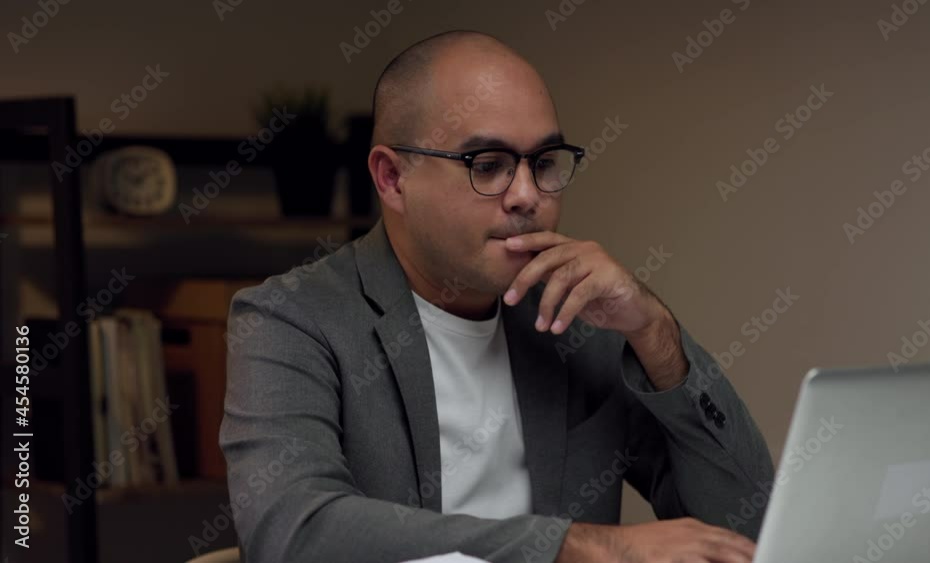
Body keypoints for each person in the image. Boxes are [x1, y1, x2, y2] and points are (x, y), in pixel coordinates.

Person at [220, 30, 774, 563]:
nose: (527, 195)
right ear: (392, 178)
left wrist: (654, 332)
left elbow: (748, 532)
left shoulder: (574, 319)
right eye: (487, 166)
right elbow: (291, 535)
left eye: (544, 162)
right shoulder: (290, 320)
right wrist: (575, 548)